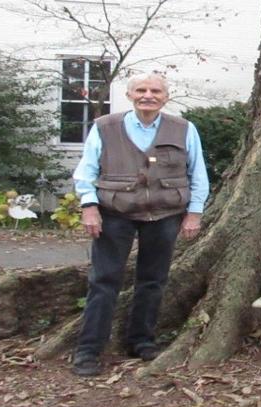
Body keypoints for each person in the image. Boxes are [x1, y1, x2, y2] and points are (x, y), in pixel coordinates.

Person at [70, 73, 210, 376]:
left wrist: (194, 213)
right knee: (104, 281)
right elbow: (86, 171)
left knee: (153, 281)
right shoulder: (105, 127)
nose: (148, 95)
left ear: (165, 97)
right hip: (114, 212)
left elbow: (198, 173)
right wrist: (89, 207)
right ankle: (88, 350)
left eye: (156, 91)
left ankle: (141, 342)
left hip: (165, 214)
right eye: (141, 90)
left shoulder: (184, 129)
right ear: (130, 95)